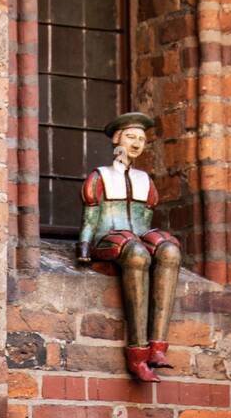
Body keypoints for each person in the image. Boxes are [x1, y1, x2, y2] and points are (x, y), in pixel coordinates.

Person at [77, 112, 181, 383]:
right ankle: (137, 352)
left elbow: (145, 223)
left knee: (169, 250)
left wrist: (155, 244)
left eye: (141, 139)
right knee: (136, 252)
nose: (136, 143)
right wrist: (84, 247)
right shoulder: (100, 176)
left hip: (134, 236)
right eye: (131, 137)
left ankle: (158, 346)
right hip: (108, 237)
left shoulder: (145, 180)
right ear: (116, 139)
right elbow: (91, 217)